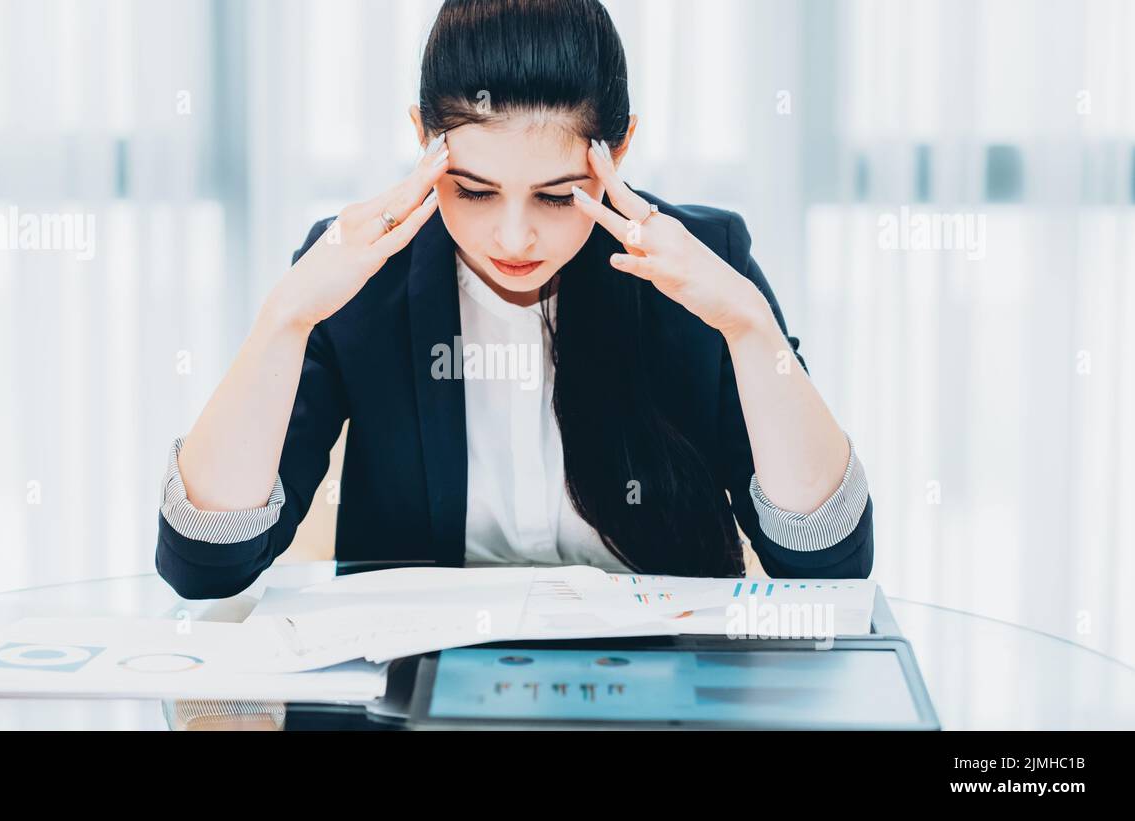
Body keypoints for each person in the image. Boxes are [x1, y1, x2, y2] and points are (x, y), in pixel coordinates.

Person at [155, 0, 872, 600]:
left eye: (558, 195)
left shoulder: (705, 262)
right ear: (422, 142)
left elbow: (826, 561)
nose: (513, 234)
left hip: (655, 698)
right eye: (473, 189)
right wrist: (285, 318)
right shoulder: (364, 271)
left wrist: (748, 327)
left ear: (617, 153)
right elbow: (204, 564)